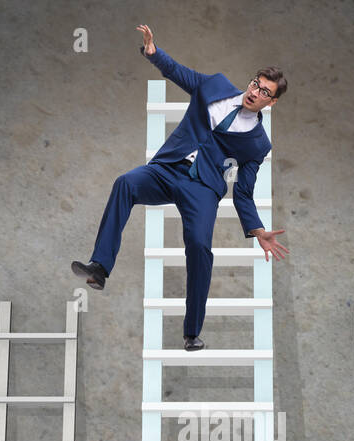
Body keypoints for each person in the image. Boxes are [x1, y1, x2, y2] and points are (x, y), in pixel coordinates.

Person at [72, 24, 289, 350]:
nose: (256, 92)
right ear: (250, 82)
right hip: (168, 169)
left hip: (202, 188)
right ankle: (100, 267)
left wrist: (258, 230)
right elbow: (178, 73)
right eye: (256, 84)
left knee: (199, 247)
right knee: (125, 183)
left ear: (271, 103)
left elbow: (243, 191)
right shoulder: (215, 85)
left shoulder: (258, 144)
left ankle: (192, 333)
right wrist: (153, 53)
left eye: (265, 92)